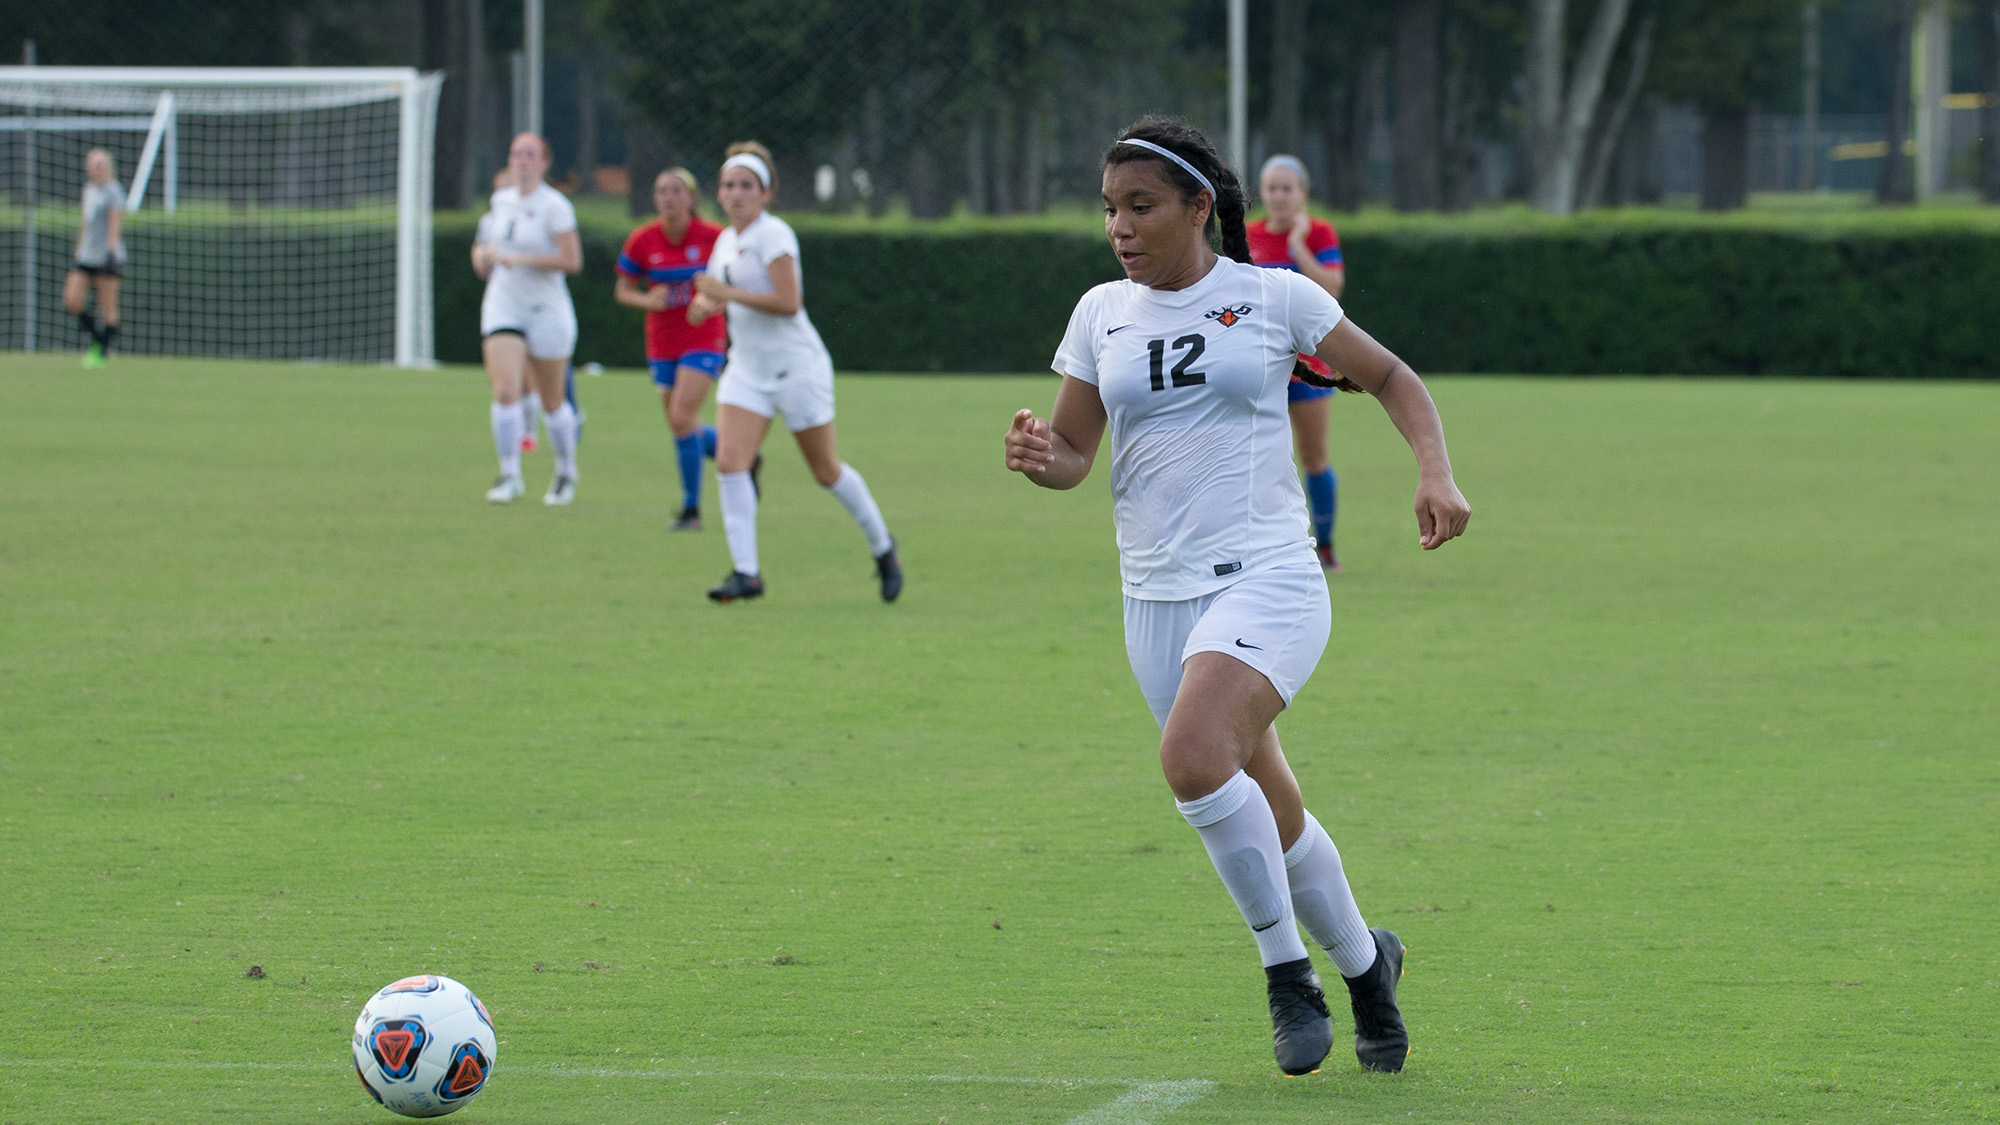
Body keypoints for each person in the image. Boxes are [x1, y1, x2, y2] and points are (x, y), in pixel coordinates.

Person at [1003, 117, 1469, 1077]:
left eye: (1140, 207)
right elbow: (1078, 454)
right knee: (1269, 803)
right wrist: (1041, 460)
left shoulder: (1272, 296)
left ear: (1198, 209)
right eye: (1108, 210)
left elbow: (1389, 376)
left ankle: (1284, 973)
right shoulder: (1100, 313)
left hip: (1271, 578)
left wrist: (1436, 472)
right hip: (1154, 600)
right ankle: (1368, 970)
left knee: (1189, 758)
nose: (1120, 228)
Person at [689, 141, 902, 604]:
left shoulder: (774, 235)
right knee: (729, 462)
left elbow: (788, 303)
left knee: (826, 471)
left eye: (746, 185)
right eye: (728, 185)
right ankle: (747, 573)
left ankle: (883, 547)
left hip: (796, 369)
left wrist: (724, 292)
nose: (736, 193)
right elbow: (716, 295)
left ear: (766, 193)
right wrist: (705, 304)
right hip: (747, 369)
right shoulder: (726, 241)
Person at [615, 168, 741, 531]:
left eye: (676, 191)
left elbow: (732, 281)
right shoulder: (643, 239)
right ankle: (741, 455)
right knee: (678, 422)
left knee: (683, 417)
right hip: (662, 340)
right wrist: (646, 301)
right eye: (661, 191)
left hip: (704, 336)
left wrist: (714, 302)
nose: (668, 198)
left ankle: (691, 511)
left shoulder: (714, 237)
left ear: (691, 198)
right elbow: (623, 290)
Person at [472, 133, 583, 505]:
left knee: (552, 400)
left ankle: (566, 471)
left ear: (544, 162)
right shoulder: (500, 202)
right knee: (505, 391)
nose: (522, 161)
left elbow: (572, 261)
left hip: (546, 311)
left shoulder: (555, 207)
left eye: (531, 155)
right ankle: (509, 474)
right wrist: (483, 258)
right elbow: (485, 243)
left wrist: (525, 260)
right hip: (504, 304)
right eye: (516, 154)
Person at [1247, 154, 1345, 570]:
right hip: (1259, 363)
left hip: (1309, 365)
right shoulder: (1248, 235)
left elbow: (1332, 289)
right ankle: (1257, 547)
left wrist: (1297, 247)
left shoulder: (1319, 233)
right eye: (1272, 188)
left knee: (1313, 456)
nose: (1279, 196)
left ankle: (1324, 544)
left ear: (1302, 193)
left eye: (1288, 188)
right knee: (1252, 455)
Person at [66, 148, 126, 369]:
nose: (96, 168)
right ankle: (98, 339)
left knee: (108, 309)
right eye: (93, 164)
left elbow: (115, 223)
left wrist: (111, 253)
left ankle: (100, 352)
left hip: (106, 257)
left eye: (100, 164)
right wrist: (78, 249)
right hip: (86, 256)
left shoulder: (114, 191)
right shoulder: (88, 190)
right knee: (72, 299)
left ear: (108, 167)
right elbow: (86, 223)